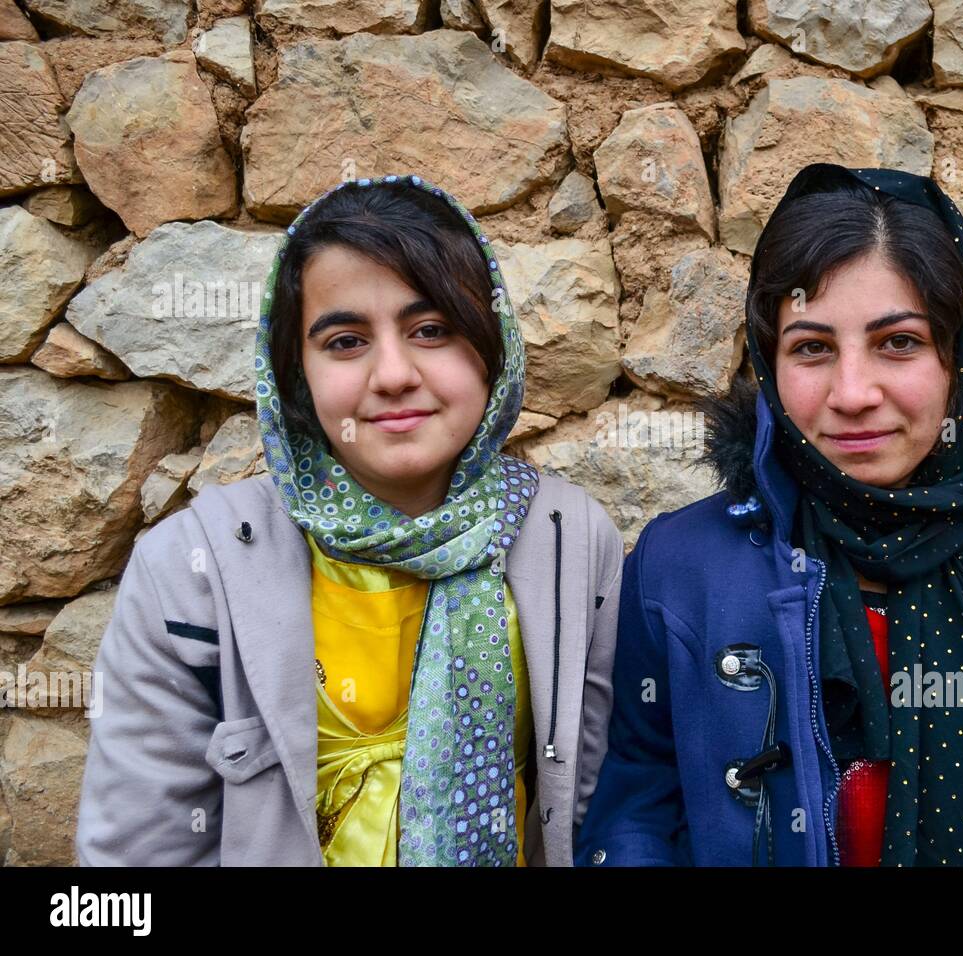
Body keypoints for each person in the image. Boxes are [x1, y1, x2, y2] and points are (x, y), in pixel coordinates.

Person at [574, 163, 963, 867]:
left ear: (958, 355)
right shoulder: (683, 568)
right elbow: (638, 802)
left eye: (897, 342)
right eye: (811, 347)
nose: (852, 392)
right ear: (768, 362)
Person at [77, 174, 624, 866]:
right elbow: (138, 853)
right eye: (344, 341)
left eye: (432, 330)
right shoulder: (194, 571)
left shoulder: (567, 541)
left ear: (493, 348)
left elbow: (588, 804)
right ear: (294, 374)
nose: (393, 373)